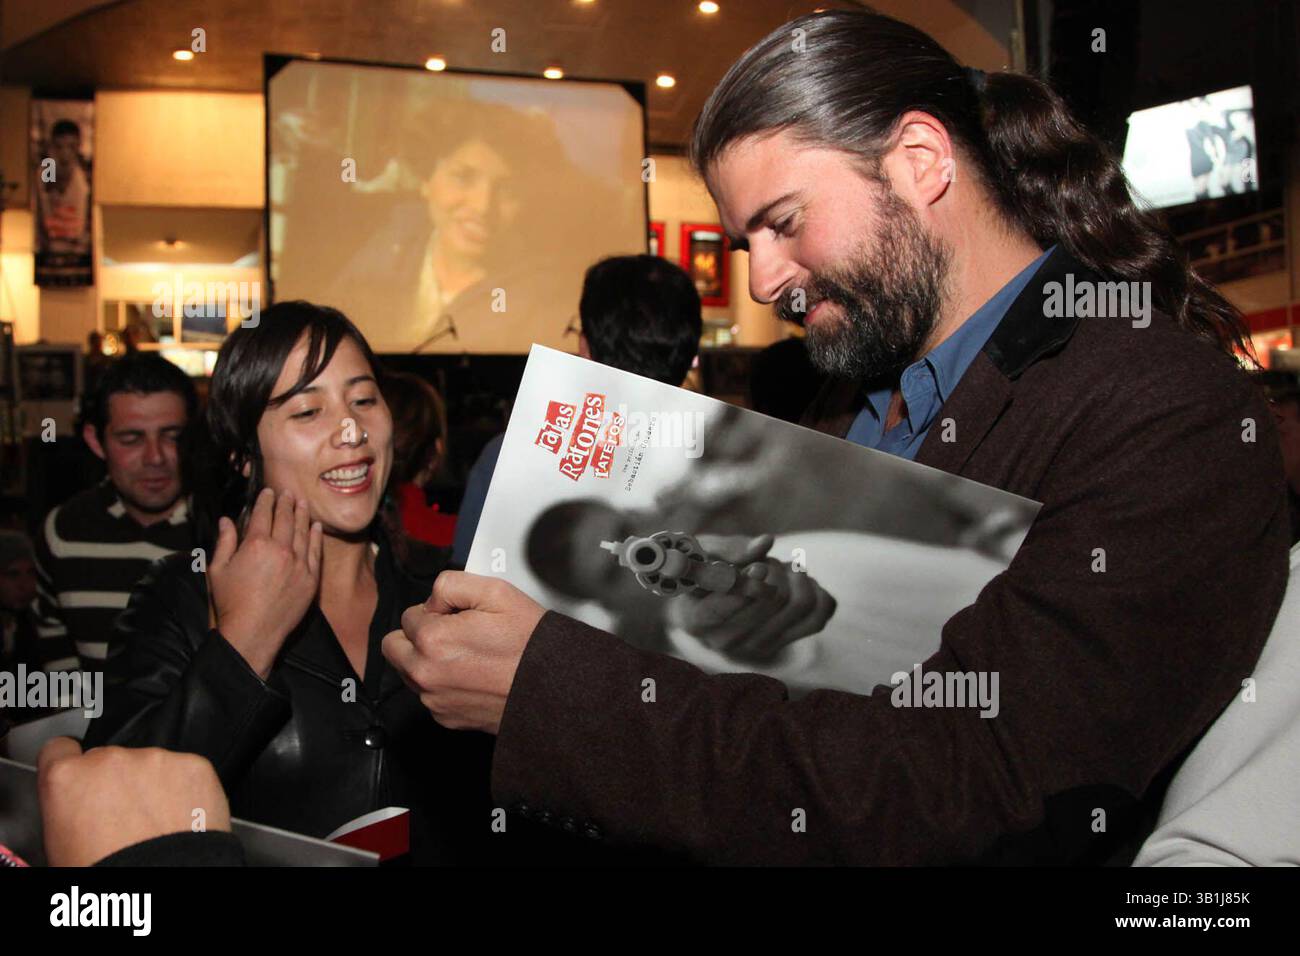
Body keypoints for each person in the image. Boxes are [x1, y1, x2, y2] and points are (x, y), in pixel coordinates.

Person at [383, 9, 1288, 864]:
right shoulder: (838, 401)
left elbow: (978, 783)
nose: (766, 279)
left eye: (784, 222)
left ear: (921, 161)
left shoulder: (1163, 412)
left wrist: (553, 694)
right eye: (748, 245)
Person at [83, 302, 575, 864]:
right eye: (307, 411)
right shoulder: (180, 599)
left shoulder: (451, 591)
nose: (352, 431)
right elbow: (110, 815)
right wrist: (243, 643)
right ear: (244, 455)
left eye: (364, 400)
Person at [451, 253, 703, 566]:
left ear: (585, 347)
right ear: (692, 351)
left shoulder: (505, 457)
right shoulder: (720, 451)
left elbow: (466, 579)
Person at [33, 354, 203, 670]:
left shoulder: (228, 532)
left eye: (173, 436)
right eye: (131, 439)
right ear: (96, 442)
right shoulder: (62, 531)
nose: (155, 457)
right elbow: (54, 647)